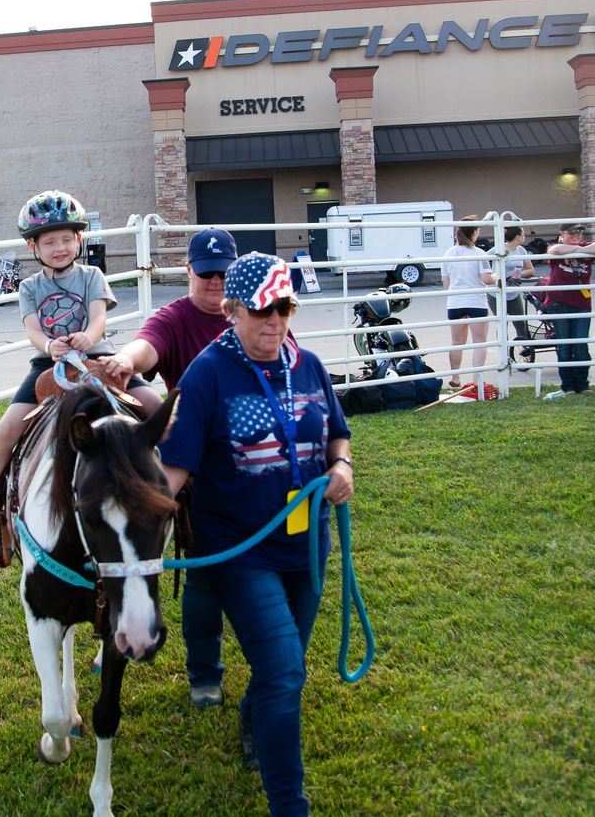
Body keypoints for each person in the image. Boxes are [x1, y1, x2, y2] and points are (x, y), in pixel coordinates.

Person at [157, 253, 352, 816]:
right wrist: (136, 534)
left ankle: (253, 723)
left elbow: (337, 434)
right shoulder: (207, 374)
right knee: (286, 670)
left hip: (309, 545)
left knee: (279, 670)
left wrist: (342, 468)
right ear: (232, 310)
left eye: (285, 309)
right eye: (263, 311)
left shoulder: (308, 364)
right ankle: (290, 805)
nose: (276, 322)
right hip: (239, 552)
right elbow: (175, 470)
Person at [0, 190, 147, 534]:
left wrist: (88, 335)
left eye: (67, 240)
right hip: (49, 365)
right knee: (8, 428)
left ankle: (180, 483)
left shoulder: (91, 276)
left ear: (79, 240)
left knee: (153, 405)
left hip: (97, 357)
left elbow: (99, 317)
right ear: (33, 248)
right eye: (50, 241)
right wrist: (50, 345)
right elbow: (33, 330)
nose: (60, 248)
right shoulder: (29, 287)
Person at [99, 226, 238, 708]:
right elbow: (148, 345)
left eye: (224, 273)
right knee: (202, 573)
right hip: (201, 463)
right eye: (206, 274)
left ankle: (274, 663)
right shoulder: (176, 318)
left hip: (255, 460)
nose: (216, 282)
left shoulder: (254, 314)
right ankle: (204, 674)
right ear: (189, 272)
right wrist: (123, 359)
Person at [540, 223, 595, 400]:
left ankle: (582, 385)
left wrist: (577, 250)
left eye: (579, 232)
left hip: (581, 303)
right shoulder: (556, 247)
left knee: (580, 344)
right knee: (564, 345)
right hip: (558, 302)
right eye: (572, 233)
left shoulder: (587, 247)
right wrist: (579, 250)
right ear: (562, 234)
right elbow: (554, 250)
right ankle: (568, 386)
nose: (577, 235)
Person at [440, 215, 495, 388]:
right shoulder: (479, 254)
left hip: (455, 302)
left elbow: (446, 283)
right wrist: (495, 276)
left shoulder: (448, 253)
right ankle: (476, 379)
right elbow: (486, 279)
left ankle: (455, 377)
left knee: (457, 342)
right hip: (476, 302)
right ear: (473, 233)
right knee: (479, 341)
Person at [487, 225, 538, 351]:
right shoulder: (497, 249)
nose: (524, 237)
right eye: (523, 235)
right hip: (497, 293)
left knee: (520, 322)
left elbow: (530, 270)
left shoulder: (521, 250)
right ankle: (504, 353)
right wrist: (493, 277)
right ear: (517, 237)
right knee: (502, 323)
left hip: (513, 291)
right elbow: (481, 261)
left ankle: (526, 350)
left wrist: (517, 275)